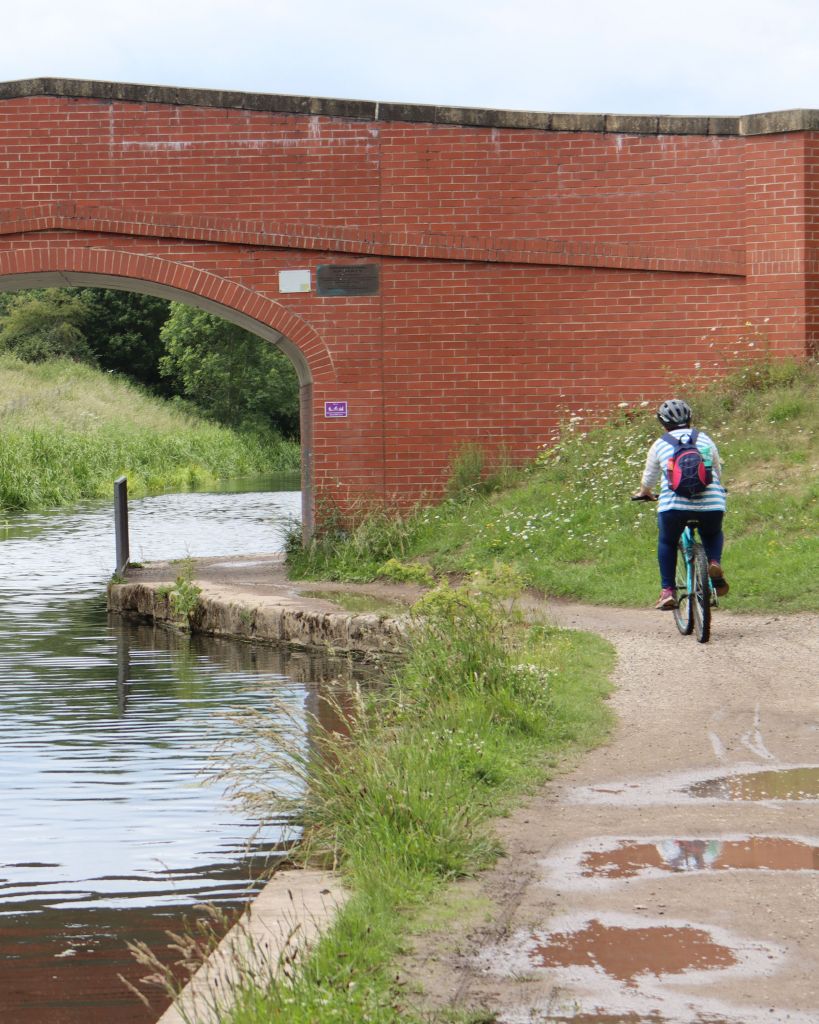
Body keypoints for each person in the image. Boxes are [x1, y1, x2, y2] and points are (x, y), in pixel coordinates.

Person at [634, 398, 729, 610]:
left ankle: (667, 591)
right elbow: (716, 470)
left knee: (667, 541)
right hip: (711, 501)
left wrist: (644, 493)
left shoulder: (660, 444)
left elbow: (648, 478)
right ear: (690, 418)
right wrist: (718, 489)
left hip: (673, 506)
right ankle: (713, 563)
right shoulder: (704, 439)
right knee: (712, 533)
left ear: (662, 422)